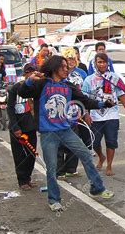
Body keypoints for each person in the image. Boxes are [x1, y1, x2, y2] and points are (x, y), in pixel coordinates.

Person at [18, 55, 115, 212]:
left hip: (65, 130)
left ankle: (97, 188)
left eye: (67, 67)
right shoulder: (41, 84)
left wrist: (104, 103)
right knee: (52, 168)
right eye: (63, 66)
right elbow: (23, 93)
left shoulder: (68, 86)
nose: (66, 69)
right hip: (48, 133)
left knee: (86, 155)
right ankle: (54, 200)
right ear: (54, 68)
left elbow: (85, 100)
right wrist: (30, 80)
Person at [82, 53, 125, 176]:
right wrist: (86, 115)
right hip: (96, 116)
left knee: (111, 141)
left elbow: (121, 96)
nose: (102, 64)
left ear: (108, 63)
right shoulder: (89, 80)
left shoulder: (114, 78)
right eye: (99, 62)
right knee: (95, 142)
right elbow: (84, 99)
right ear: (95, 63)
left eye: (104, 62)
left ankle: (109, 165)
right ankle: (101, 157)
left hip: (112, 115)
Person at [56, 48, 88, 180]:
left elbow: (85, 95)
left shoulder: (81, 73)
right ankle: (59, 170)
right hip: (60, 114)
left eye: (73, 59)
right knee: (59, 143)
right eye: (68, 59)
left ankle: (71, 169)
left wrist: (85, 112)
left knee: (74, 141)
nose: (71, 61)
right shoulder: (58, 74)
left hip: (76, 114)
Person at [7, 63, 38, 190]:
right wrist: (15, 127)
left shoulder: (37, 88)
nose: (31, 75)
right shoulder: (16, 88)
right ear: (25, 74)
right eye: (28, 72)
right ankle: (22, 181)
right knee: (19, 155)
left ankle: (28, 178)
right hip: (18, 128)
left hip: (31, 127)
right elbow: (10, 108)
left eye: (33, 72)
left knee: (32, 154)